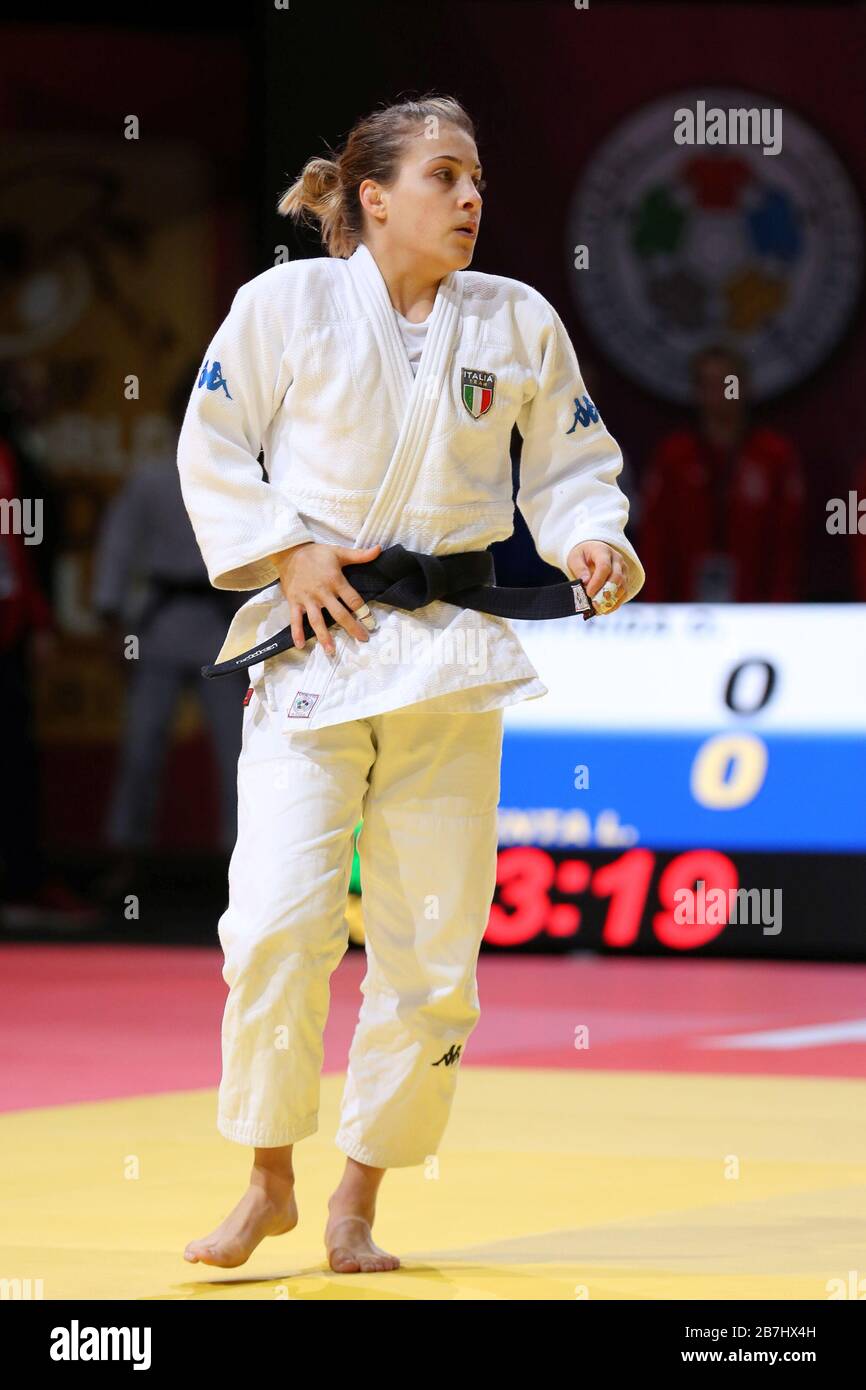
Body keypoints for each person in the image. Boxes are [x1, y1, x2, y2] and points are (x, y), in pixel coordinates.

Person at [177, 93, 645, 1274]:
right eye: (444, 176)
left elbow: (574, 460)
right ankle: (268, 1179)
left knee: (430, 950)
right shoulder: (282, 304)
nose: (471, 198)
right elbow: (212, 444)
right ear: (371, 196)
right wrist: (283, 547)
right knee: (275, 925)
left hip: (451, 655)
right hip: (318, 644)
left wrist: (589, 534)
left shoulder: (516, 318)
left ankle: (355, 1200)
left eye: (478, 178)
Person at [91, 369, 246, 897]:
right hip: (158, 625)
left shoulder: (237, 476)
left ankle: (240, 868)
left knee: (237, 755)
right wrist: (112, 619)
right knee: (141, 748)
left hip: (219, 625)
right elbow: (117, 548)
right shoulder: (152, 478)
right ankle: (126, 861)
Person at [638, 344, 805, 601]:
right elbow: (654, 540)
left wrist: (780, 609)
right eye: (708, 384)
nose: (719, 393)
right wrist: (656, 607)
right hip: (683, 606)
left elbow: (789, 544)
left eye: (727, 383)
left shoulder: (774, 456)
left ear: (746, 388)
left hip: (758, 606)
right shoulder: (673, 456)